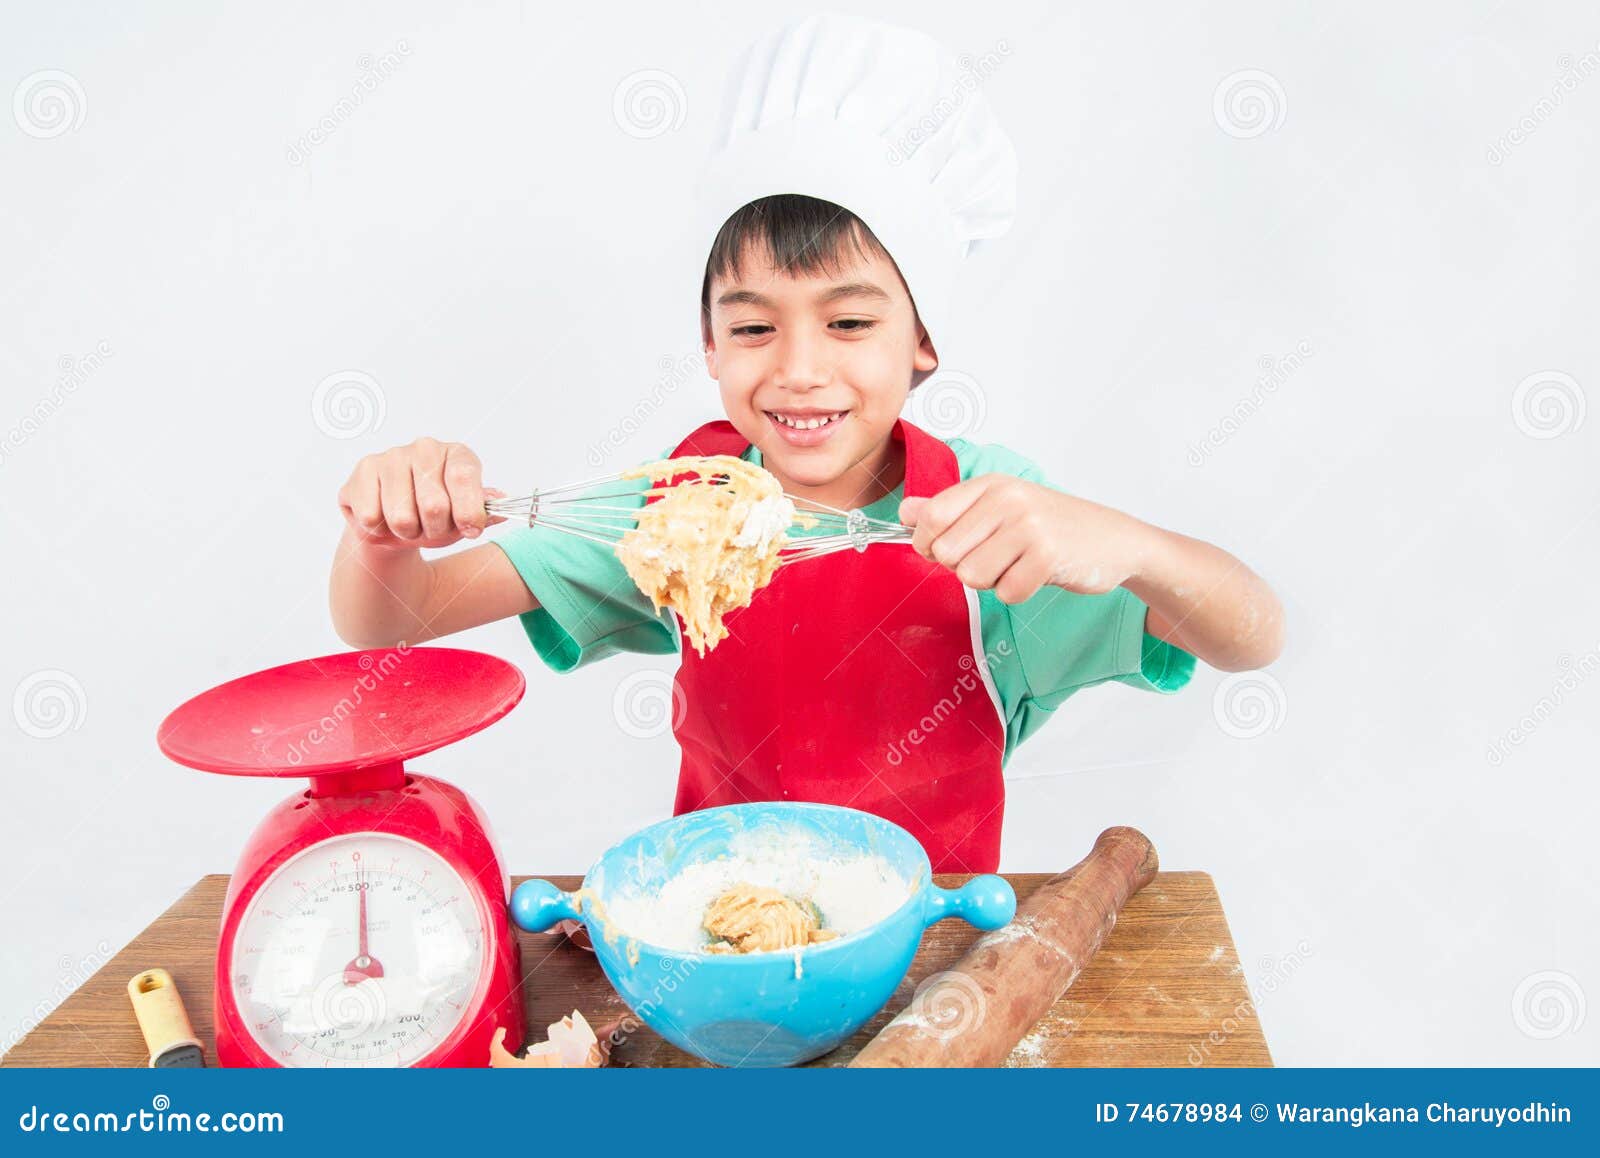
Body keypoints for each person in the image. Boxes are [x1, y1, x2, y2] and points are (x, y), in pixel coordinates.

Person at [329, 14, 1284, 873]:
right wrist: (386, 530)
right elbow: (393, 621)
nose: (796, 370)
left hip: (934, 967)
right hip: (715, 953)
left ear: (923, 341)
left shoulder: (991, 520)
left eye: (848, 323)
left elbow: (1252, 637)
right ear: (708, 345)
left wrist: (1137, 546)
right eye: (753, 329)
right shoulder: (681, 515)